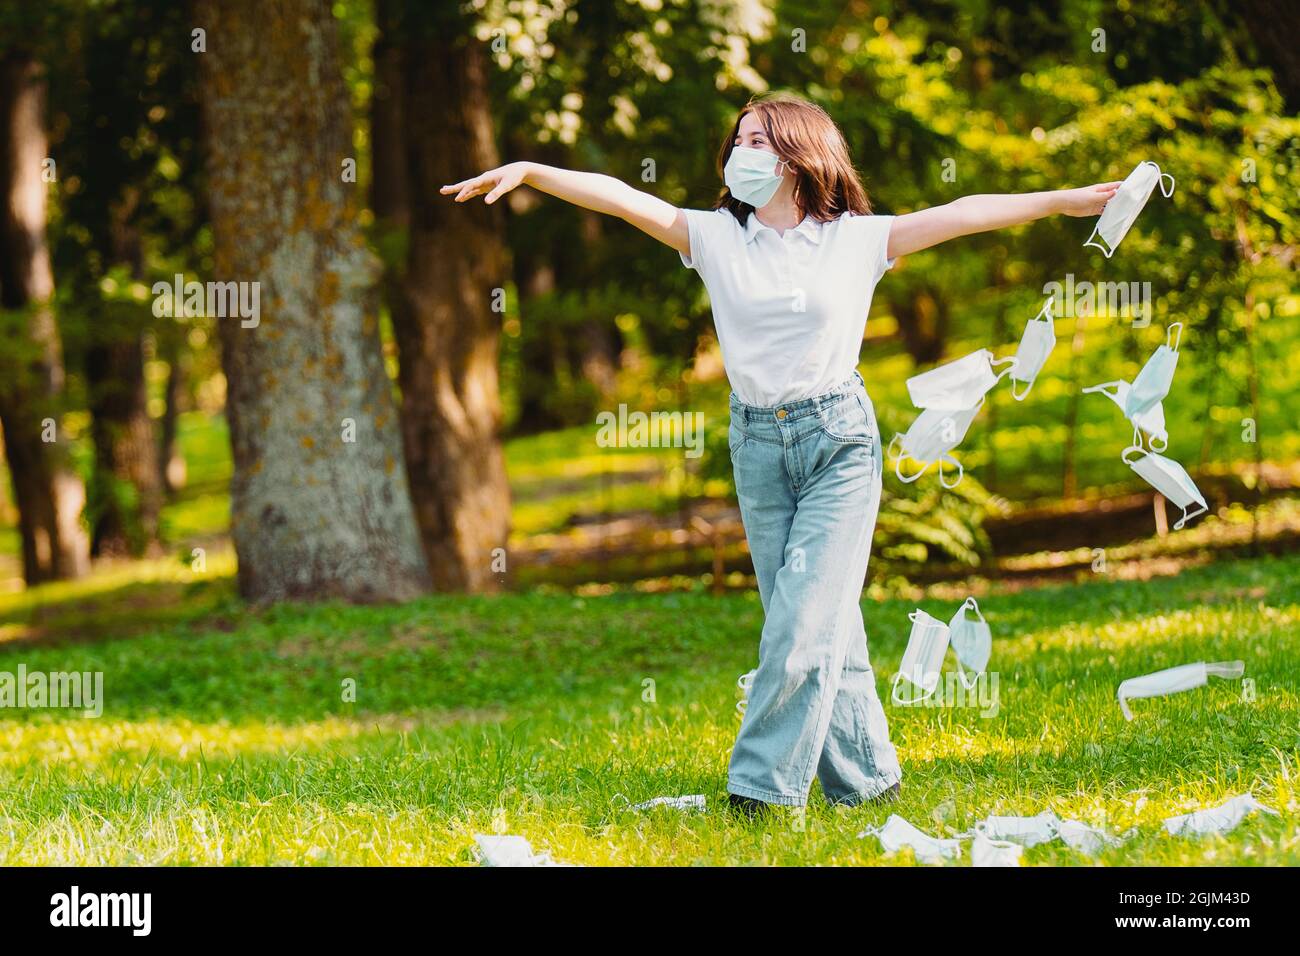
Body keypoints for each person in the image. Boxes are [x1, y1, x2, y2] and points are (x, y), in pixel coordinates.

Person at [442, 91, 1119, 817]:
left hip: (839, 445)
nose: (744, 152)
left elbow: (965, 213)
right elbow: (622, 198)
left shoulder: (856, 239)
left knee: (799, 624)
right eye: (740, 139)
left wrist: (1064, 200)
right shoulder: (712, 238)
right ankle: (867, 783)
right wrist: (533, 170)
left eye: (761, 139)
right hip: (758, 448)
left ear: (801, 155)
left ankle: (759, 793)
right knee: (822, 620)